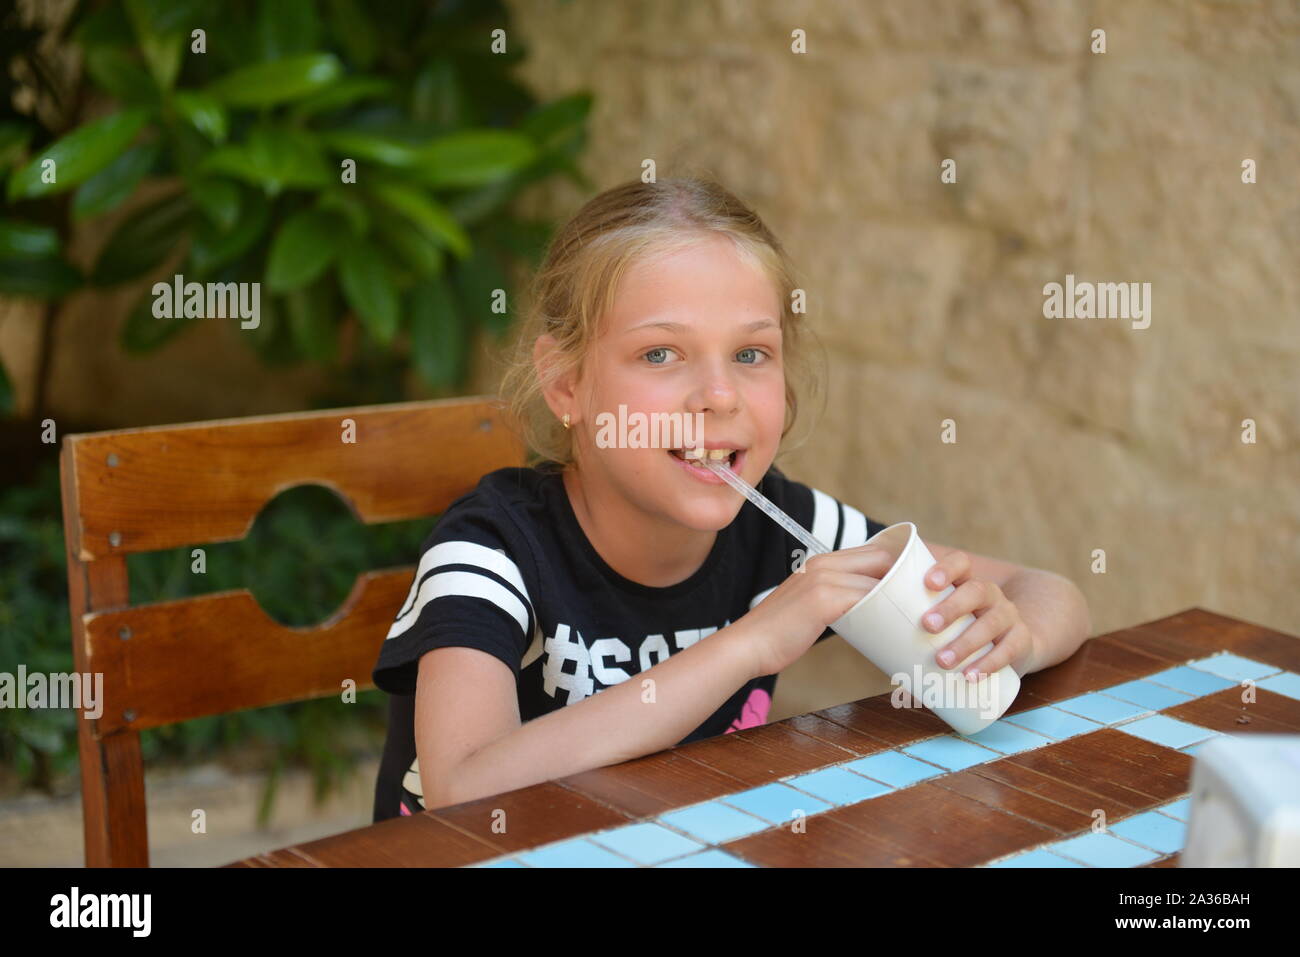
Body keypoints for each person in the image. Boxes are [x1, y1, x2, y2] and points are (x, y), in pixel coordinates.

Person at [371, 176, 1091, 822]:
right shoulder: (492, 548)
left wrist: (1011, 637)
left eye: (750, 354)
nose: (719, 396)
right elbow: (466, 789)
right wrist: (749, 643)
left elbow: (1050, 590)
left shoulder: (787, 528)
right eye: (661, 353)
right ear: (566, 385)